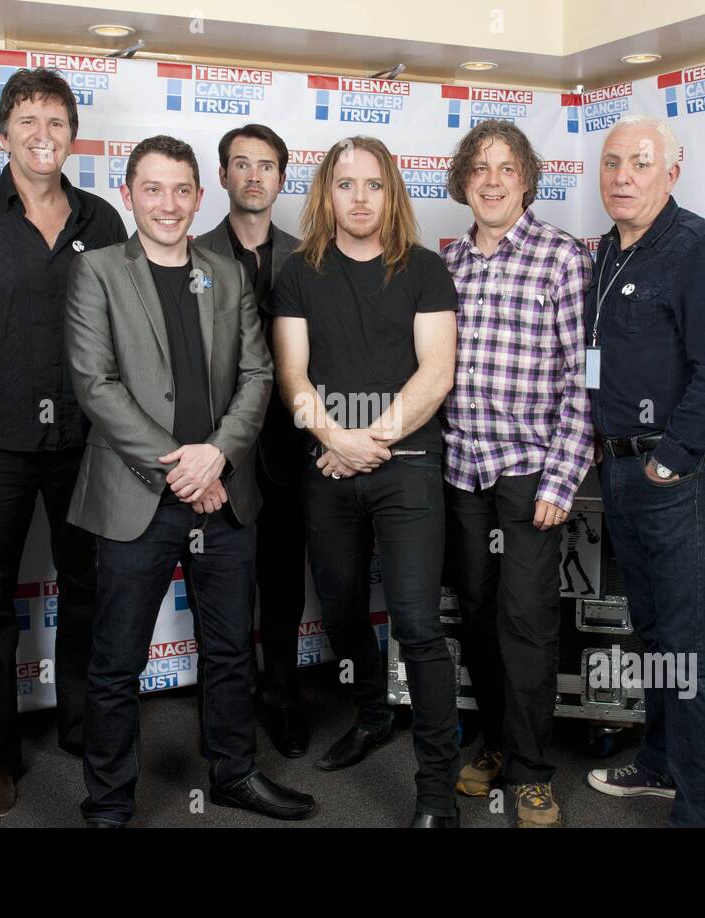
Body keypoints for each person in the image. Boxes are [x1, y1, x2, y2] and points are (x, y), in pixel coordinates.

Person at [65, 135, 315, 827]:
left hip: (225, 497)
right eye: (153, 189)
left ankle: (235, 774)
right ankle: (109, 804)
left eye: (181, 190)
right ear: (129, 194)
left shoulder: (226, 274)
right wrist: (184, 466)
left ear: (200, 197)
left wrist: (218, 458)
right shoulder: (99, 273)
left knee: (232, 650)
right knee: (116, 663)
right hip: (136, 497)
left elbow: (259, 375)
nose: (168, 204)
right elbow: (96, 385)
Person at [0, 68, 128, 817]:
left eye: (58, 122)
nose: (44, 135)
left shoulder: (102, 221)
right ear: (2, 131)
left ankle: (79, 725)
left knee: (88, 591)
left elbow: (122, 332)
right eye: (28, 120)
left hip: (84, 442)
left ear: (74, 134)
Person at [272, 135, 461, 828]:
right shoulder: (298, 273)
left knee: (416, 623)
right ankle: (375, 713)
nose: (359, 198)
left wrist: (365, 443)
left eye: (373, 185)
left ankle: (437, 791)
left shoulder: (425, 270)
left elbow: (435, 373)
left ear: (392, 194)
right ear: (327, 192)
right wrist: (333, 439)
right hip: (327, 465)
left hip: (403, 468)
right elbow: (291, 373)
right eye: (346, 184)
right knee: (344, 614)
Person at [581, 114, 705, 827]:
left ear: (670, 173)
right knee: (651, 633)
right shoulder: (607, 250)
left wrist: (670, 464)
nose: (622, 176)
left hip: (670, 477)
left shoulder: (698, 248)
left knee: (692, 647)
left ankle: (702, 810)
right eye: (612, 162)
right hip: (617, 469)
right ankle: (660, 763)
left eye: (640, 163)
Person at [439, 120, 593, 827]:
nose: (492, 181)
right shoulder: (448, 263)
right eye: (480, 169)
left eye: (506, 168)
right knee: (474, 615)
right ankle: (497, 743)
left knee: (526, 622)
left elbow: (583, 381)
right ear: (463, 180)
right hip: (462, 472)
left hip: (530, 477)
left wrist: (561, 481)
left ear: (527, 177)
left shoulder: (563, 258)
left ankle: (533, 769)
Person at [193, 124, 309, 757]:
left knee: (284, 589)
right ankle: (222, 715)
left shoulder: (309, 254)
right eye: (242, 164)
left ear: (282, 179)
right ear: (223, 176)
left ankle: (284, 698)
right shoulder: (189, 251)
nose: (254, 176)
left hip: (290, 451)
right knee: (223, 596)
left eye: (267, 165)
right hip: (220, 451)